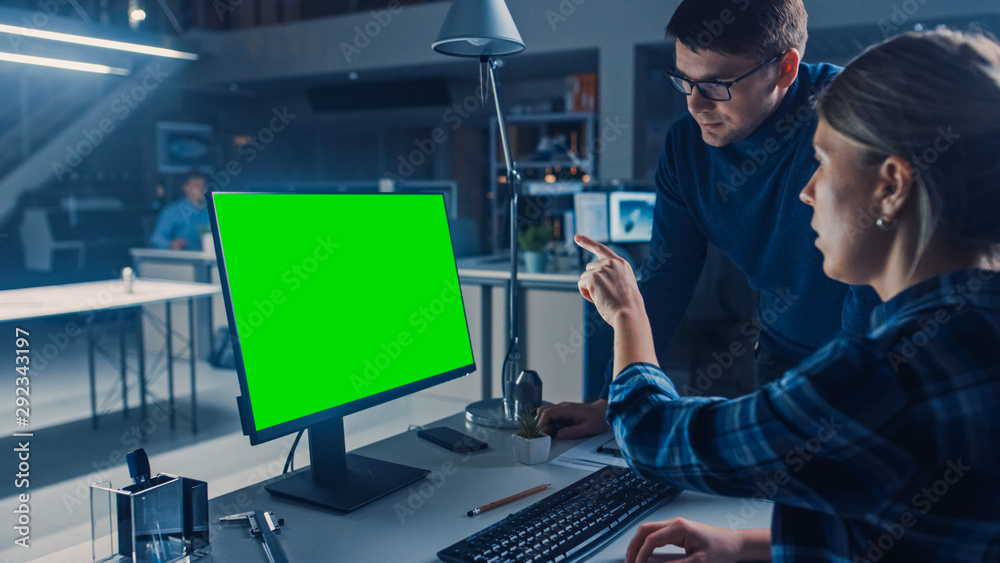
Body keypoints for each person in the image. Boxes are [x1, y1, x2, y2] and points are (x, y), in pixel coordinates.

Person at [576, 30, 1000, 562]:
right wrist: (746, 543)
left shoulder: (877, 383)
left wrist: (627, 312)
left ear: (892, 186)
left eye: (824, 160)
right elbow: (907, 520)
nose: (807, 189)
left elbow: (652, 436)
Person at [540, 0, 881, 440]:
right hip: (781, 352)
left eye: (717, 85)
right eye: (685, 81)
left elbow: (873, 279)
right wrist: (609, 401)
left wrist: (858, 390)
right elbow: (668, 275)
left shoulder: (850, 120)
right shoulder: (686, 150)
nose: (696, 105)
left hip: (869, 354)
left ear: (785, 69)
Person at [150, 172, 209, 250]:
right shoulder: (172, 211)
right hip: (183, 259)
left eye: (204, 185)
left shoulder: (212, 210)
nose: (201, 189)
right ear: (185, 187)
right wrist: (171, 244)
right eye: (196, 185)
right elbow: (156, 239)